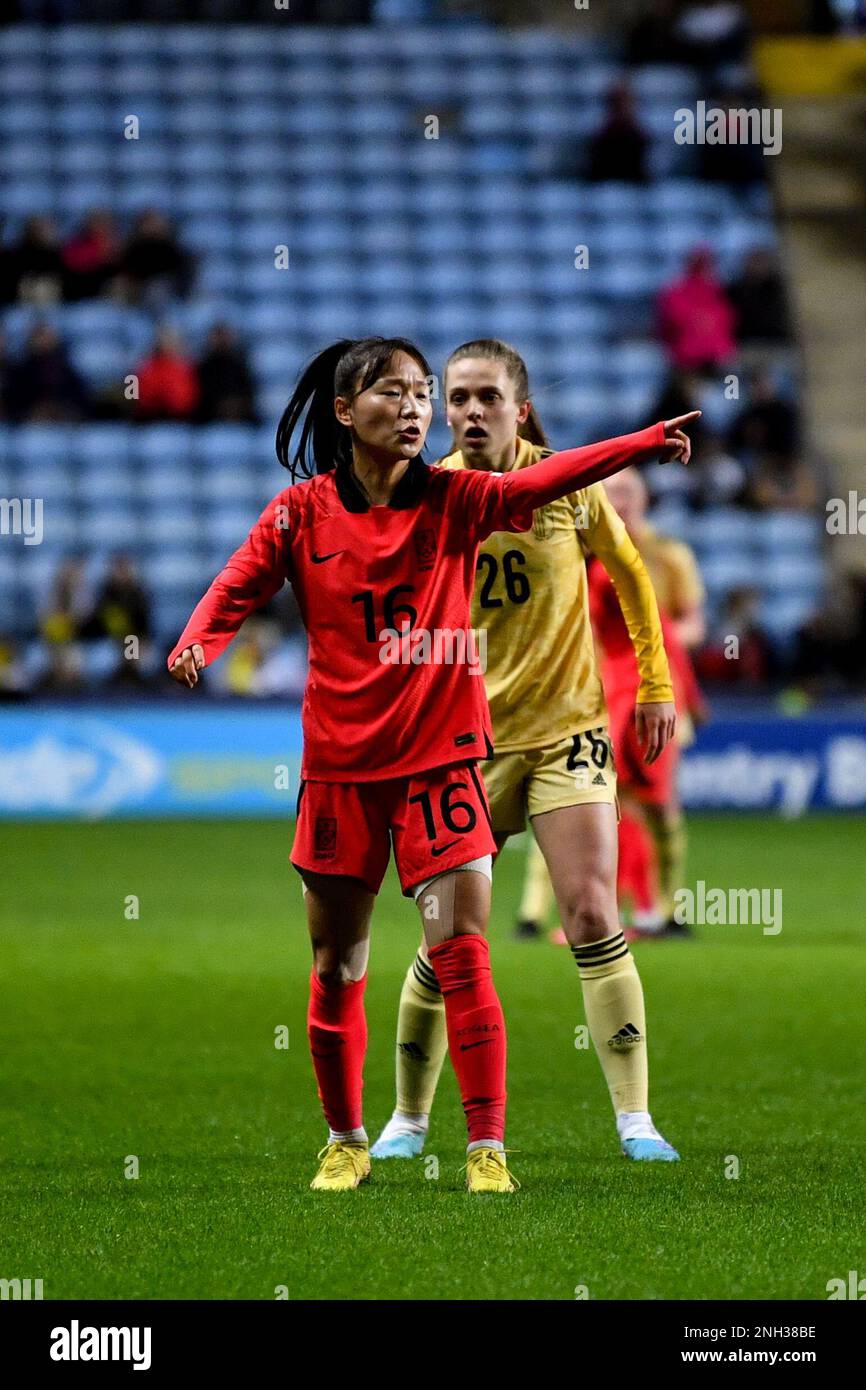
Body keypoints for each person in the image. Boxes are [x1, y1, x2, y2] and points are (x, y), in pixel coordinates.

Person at [168, 336, 696, 1193]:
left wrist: (641, 442)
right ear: (347, 412)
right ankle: (366, 1133)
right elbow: (239, 580)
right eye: (409, 394)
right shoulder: (311, 510)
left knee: (502, 937)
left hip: (476, 752)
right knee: (346, 961)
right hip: (360, 763)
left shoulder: (465, 497)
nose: (426, 409)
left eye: (430, 394)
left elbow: (563, 501)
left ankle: (516, 1141)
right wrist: (198, 639)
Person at [370, 339, 697, 1166]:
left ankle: (635, 1118)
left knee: (591, 911)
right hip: (464, 744)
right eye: (458, 398)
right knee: (450, 936)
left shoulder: (570, 490)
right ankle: (408, 1118)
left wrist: (656, 686)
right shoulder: (428, 497)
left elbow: (630, 574)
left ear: (519, 407)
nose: (470, 412)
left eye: (487, 397)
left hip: (567, 734)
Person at [588, 467, 707, 937]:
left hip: (650, 690)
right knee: (608, 799)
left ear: (644, 499)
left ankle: (658, 908)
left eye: (628, 492)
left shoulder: (663, 556)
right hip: (601, 692)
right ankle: (618, 910)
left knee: (646, 802)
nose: (620, 501)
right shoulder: (588, 554)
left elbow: (684, 629)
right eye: (610, 492)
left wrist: (683, 689)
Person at [657, 247, 737, 373]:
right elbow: (670, 325)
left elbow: (730, 321)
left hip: (718, 355)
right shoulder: (676, 291)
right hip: (687, 358)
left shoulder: (719, 290)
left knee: (732, 383)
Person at [134, 326, 199, 422]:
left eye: (170, 341)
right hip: (149, 421)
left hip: (179, 421)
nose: (166, 345)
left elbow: (188, 400)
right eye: (163, 341)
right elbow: (136, 397)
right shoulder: (145, 368)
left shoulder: (186, 370)